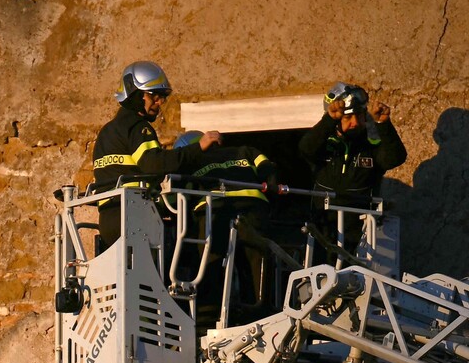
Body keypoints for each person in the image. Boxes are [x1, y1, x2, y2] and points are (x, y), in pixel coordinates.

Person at [92, 61, 221, 249]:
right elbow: (154, 164)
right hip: (134, 216)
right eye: (153, 96)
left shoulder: (106, 132)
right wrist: (198, 147)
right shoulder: (138, 127)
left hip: (109, 220)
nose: (159, 102)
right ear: (136, 94)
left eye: (161, 97)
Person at [174, 131, 280, 320]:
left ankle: (207, 317)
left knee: (209, 264)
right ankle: (261, 315)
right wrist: (270, 185)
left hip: (213, 212)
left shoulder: (190, 161)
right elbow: (267, 169)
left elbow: (179, 197)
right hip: (253, 209)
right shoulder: (245, 151)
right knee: (256, 265)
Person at [298, 82, 407, 259]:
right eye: (348, 118)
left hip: (363, 239)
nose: (355, 122)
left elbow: (395, 158)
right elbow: (306, 148)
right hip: (324, 231)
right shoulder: (324, 145)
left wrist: (383, 124)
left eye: (359, 116)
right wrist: (328, 120)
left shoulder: (372, 148)